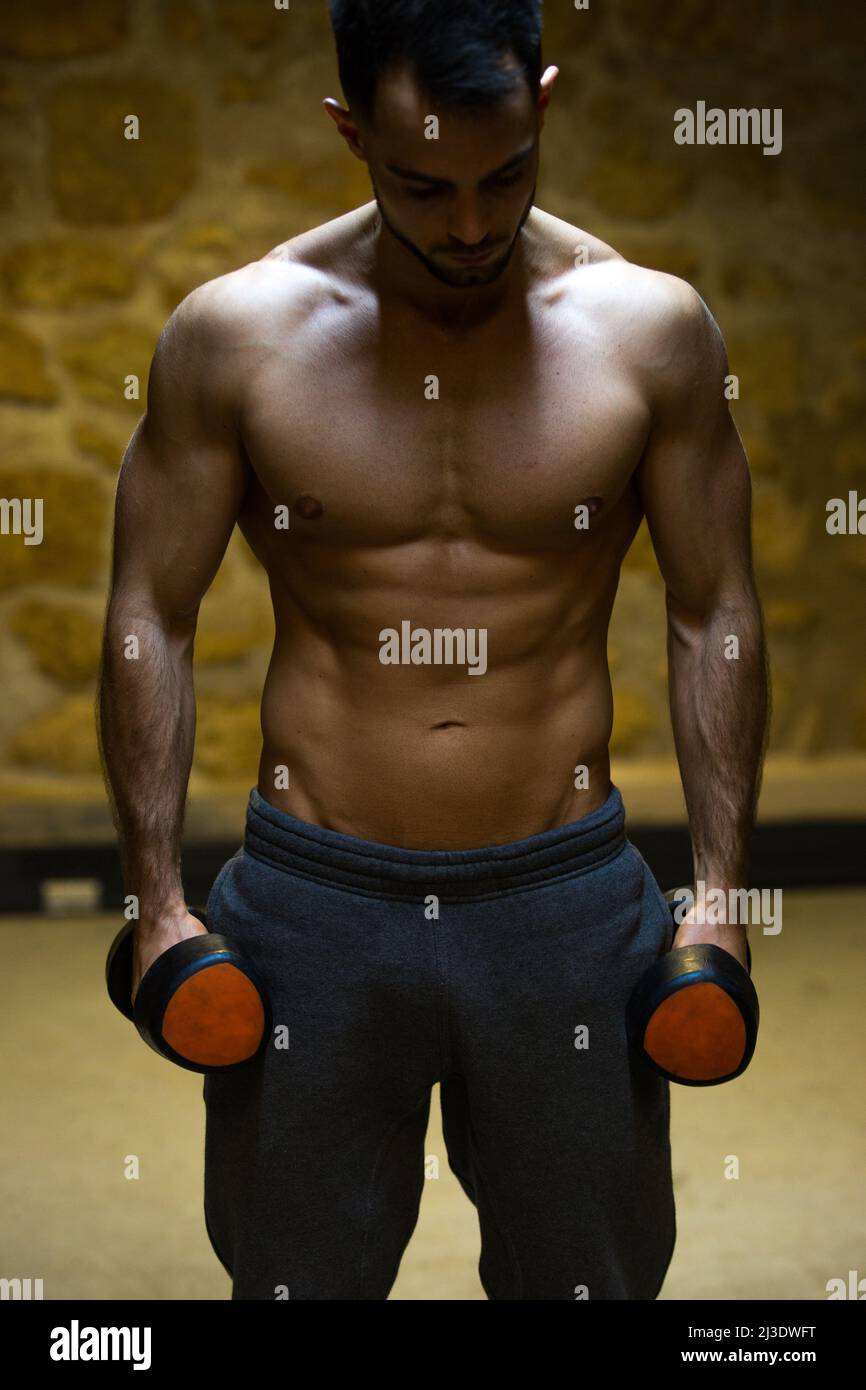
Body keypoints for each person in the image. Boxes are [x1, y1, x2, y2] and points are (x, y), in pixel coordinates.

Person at [97, 0, 769, 1300]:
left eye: (502, 176)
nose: (468, 226)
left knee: (591, 1279)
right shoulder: (236, 338)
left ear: (545, 104)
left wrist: (724, 894)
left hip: (562, 901)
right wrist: (156, 903)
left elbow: (715, 610)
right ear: (349, 130)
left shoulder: (649, 331)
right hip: (314, 907)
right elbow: (147, 617)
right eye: (421, 185)